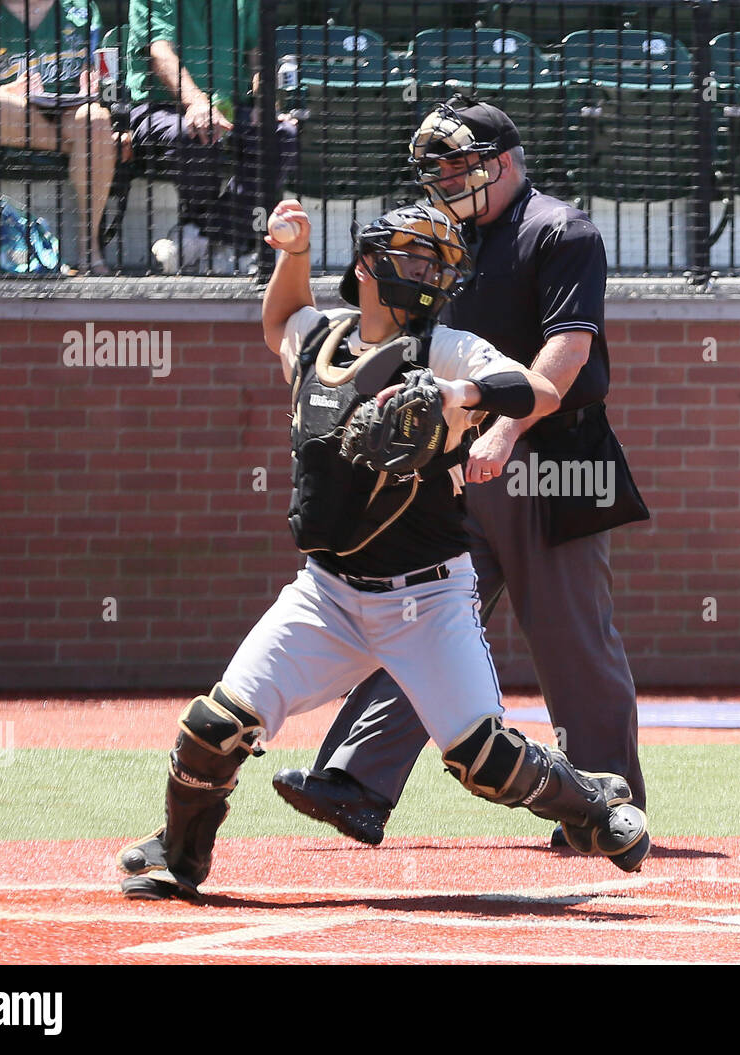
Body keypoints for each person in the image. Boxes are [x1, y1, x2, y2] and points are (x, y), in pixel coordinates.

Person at [115, 198, 651, 900]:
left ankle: (594, 804)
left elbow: (535, 385)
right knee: (213, 726)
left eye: (439, 262)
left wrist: (457, 391)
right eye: (415, 256)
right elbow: (281, 319)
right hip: (326, 593)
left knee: (482, 760)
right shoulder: (319, 339)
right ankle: (181, 853)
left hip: (425, 597)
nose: (429, 273)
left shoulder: (443, 346)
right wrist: (295, 256)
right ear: (367, 263)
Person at [270, 96, 648, 849]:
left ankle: (604, 805)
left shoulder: (559, 231)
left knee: (571, 638)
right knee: (418, 614)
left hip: (552, 458)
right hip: (449, 461)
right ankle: (356, 780)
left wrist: (507, 428)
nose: (441, 178)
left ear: (499, 162)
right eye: (433, 166)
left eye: (456, 164)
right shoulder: (436, 240)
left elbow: (567, 354)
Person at [0, 0, 121, 274]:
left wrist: (97, 83)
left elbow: (106, 72)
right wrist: (8, 91)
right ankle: (79, 146)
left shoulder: (82, 9)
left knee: (97, 120)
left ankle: (90, 250)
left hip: (70, 114)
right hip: (12, 116)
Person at [124, 0, 297, 273]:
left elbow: (257, 55)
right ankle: (221, 241)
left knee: (282, 136)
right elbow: (160, 52)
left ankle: (200, 236)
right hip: (162, 107)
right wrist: (196, 102)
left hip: (231, 107)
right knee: (195, 132)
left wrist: (265, 103)